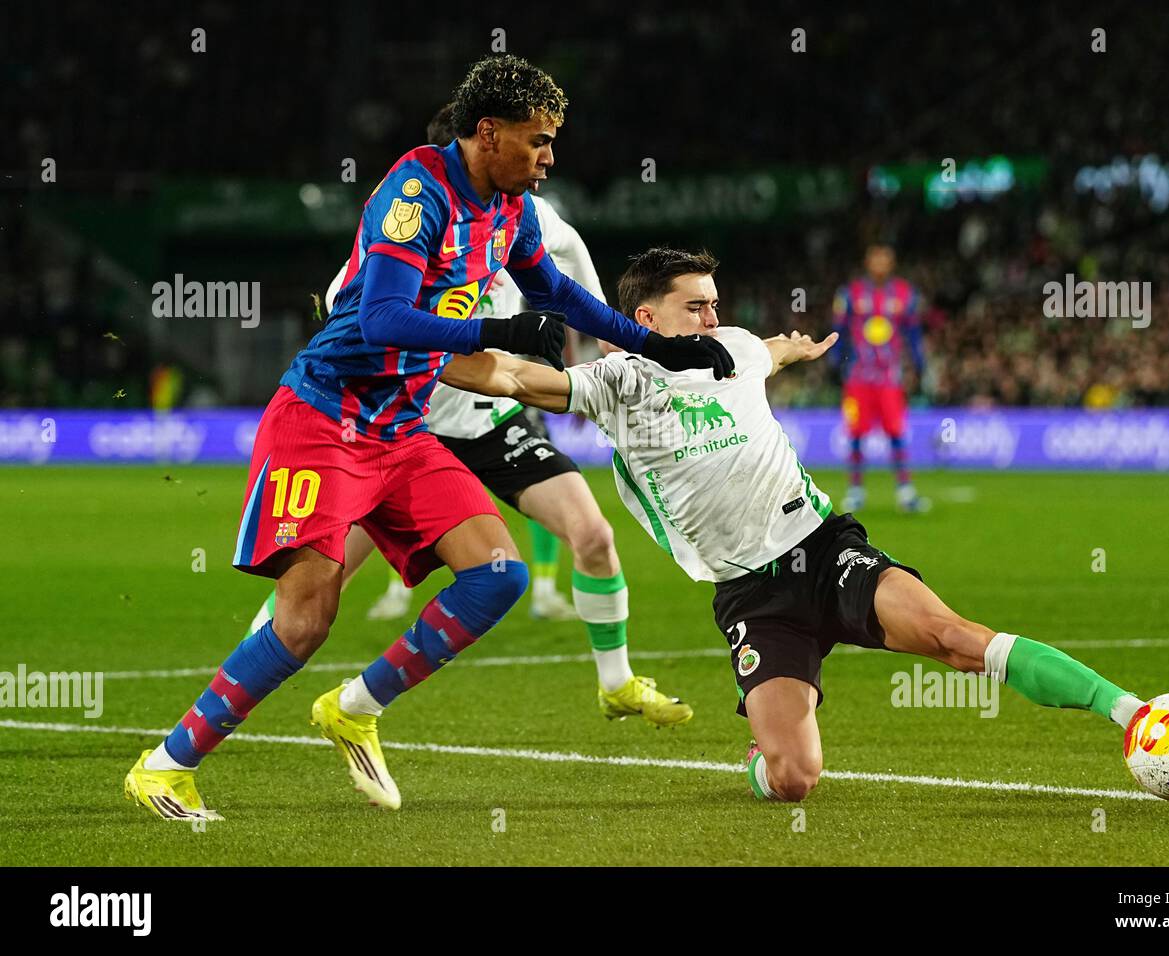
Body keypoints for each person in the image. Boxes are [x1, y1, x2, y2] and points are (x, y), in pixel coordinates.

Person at [123, 56, 731, 821]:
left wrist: (658, 347)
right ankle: (166, 766)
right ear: (490, 133)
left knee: (499, 575)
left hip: (399, 427)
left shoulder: (511, 209)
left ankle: (355, 706)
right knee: (308, 616)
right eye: (539, 141)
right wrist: (497, 328)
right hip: (325, 418)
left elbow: (558, 292)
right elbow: (381, 318)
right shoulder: (417, 190)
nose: (550, 156)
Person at [434, 245, 1146, 802]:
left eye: (715, 304)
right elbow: (511, 377)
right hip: (753, 598)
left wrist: (790, 348)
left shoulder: (734, 348)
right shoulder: (615, 382)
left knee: (956, 638)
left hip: (823, 547)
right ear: (644, 320)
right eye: (695, 308)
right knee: (795, 780)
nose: (713, 319)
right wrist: (416, 343)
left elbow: (760, 351)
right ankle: (763, 751)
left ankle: (1132, 713)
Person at [832, 244, 929, 512]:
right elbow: (838, 329)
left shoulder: (905, 294)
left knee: (896, 432)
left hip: (889, 378)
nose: (880, 264)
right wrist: (833, 362)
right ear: (867, 261)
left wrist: (920, 364)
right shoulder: (850, 294)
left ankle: (905, 491)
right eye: (875, 258)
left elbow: (914, 334)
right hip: (858, 377)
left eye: (884, 259)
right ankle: (855, 490)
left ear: (892, 263)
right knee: (856, 433)